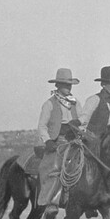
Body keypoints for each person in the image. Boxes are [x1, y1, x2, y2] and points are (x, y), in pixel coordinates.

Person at [25, 68, 83, 209]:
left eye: (70, 84)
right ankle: (49, 201)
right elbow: (42, 126)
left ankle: (87, 200)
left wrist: (81, 132)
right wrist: (48, 141)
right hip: (57, 141)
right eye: (65, 84)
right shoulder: (49, 104)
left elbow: (82, 121)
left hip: (74, 140)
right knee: (53, 167)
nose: (68, 87)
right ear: (57, 86)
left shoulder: (76, 103)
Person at [82, 65, 110, 138]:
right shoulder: (94, 99)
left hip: (108, 140)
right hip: (93, 140)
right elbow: (84, 120)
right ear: (103, 85)